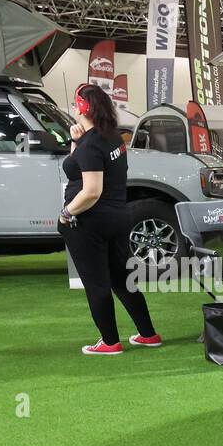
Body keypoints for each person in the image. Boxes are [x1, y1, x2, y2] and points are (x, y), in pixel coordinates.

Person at [59, 84, 160, 355]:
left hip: (90, 221)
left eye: (75, 102)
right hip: (117, 217)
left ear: (83, 107)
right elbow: (78, 165)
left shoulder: (92, 145)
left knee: (97, 283)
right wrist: (75, 141)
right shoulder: (112, 138)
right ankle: (148, 334)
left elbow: (91, 191)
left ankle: (109, 342)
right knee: (121, 278)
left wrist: (67, 213)